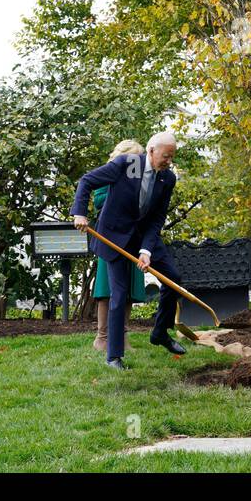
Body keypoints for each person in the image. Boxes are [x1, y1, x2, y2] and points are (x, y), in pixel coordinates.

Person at [72, 131, 184, 369]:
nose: (168, 162)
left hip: (143, 235)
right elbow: (87, 181)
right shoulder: (126, 164)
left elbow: (157, 218)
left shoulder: (168, 179)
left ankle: (160, 333)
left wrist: (146, 251)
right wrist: (79, 212)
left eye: (172, 157)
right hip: (114, 234)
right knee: (119, 294)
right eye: (165, 156)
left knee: (173, 278)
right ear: (151, 151)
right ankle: (114, 356)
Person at [88, 139, 150, 352]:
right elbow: (98, 200)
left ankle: (122, 337)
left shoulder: (143, 177)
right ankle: (102, 337)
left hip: (133, 238)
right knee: (108, 289)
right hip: (111, 237)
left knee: (129, 288)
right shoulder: (110, 172)